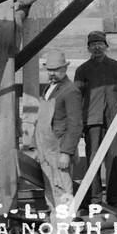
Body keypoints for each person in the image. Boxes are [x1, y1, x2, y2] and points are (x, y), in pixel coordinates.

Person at [73, 30, 117, 207]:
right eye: (93, 45)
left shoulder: (116, 67)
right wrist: (79, 124)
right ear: (88, 48)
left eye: (100, 44)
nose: (97, 47)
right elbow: (76, 97)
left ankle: (115, 200)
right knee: (93, 161)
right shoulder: (82, 70)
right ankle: (95, 200)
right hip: (92, 122)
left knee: (113, 159)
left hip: (114, 120)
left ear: (106, 46)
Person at [34, 50, 83, 216]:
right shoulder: (49, 88)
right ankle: (57, 229)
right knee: (50, 190)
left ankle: (65, 228)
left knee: (63, 190)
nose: (51, 73)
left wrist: (66, 153)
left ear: (65, 68)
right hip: (45, 150)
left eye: (55, 70)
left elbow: (75, 125)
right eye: (49, 70)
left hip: (59, 149)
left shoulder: (71, 90)